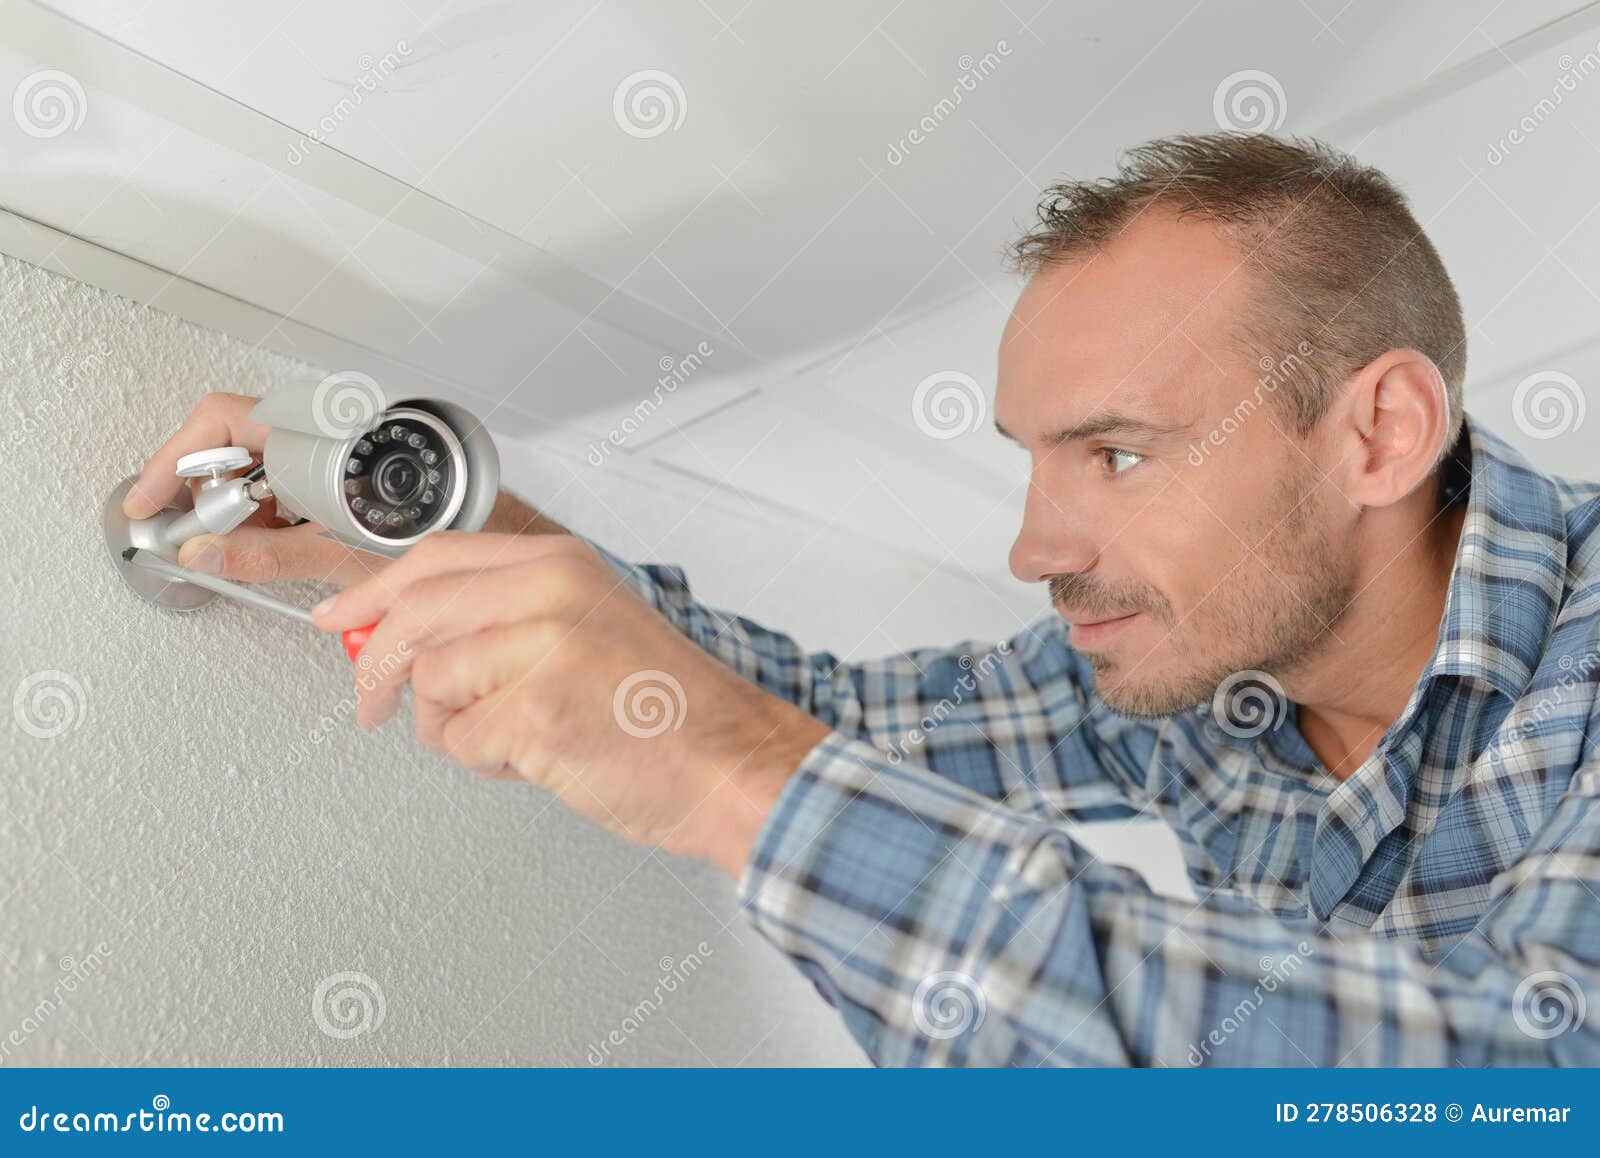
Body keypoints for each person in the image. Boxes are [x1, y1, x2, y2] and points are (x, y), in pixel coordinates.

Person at [123, 133, 1600, 1067]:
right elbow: (828, 721)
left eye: (1118, 451)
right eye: (1036, 461)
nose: (1037, 545)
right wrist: (429, 510)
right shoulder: (1187, 674)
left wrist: (731, 778)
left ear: (1382, 434)